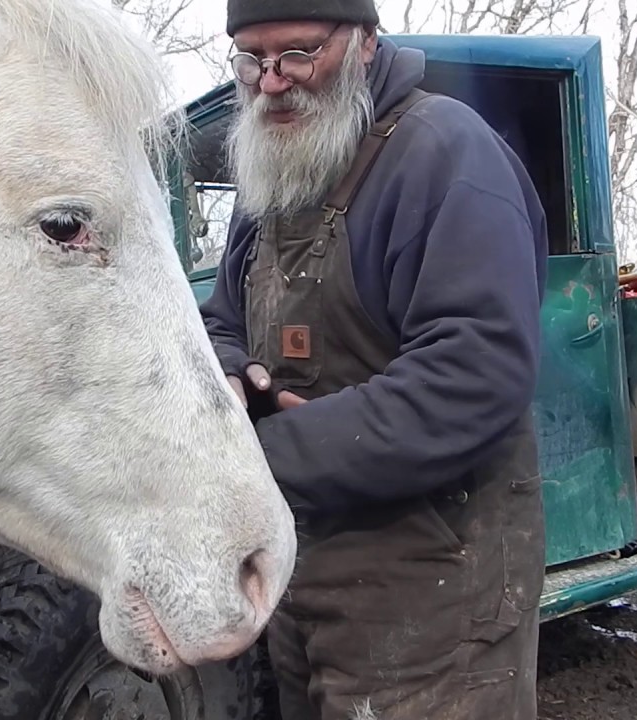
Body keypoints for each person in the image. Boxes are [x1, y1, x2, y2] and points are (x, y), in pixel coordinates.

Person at [197, 1, 550, 718]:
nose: (271, 83)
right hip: (302, 566)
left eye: (298, 54)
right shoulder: (272, 167)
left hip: (435, 574)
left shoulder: (443, 152)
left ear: (364, 44)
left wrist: (266, 452)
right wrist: (233, 370)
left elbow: (474, 369)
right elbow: (220, 318)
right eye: (251, 60)